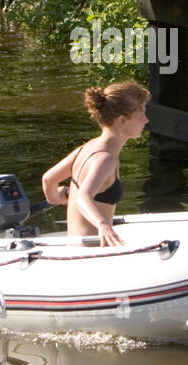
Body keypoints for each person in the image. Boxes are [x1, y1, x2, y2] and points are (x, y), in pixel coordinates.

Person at [42, 81, 149, 246]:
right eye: (141, 114)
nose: (146, 120)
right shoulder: (106, 159)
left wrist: (55, 197)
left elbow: (48, 179)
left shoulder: (88, 147)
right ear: (122, 121)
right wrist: (103, 225)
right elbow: (83, 197)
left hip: (76, 248)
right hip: (91, 252)